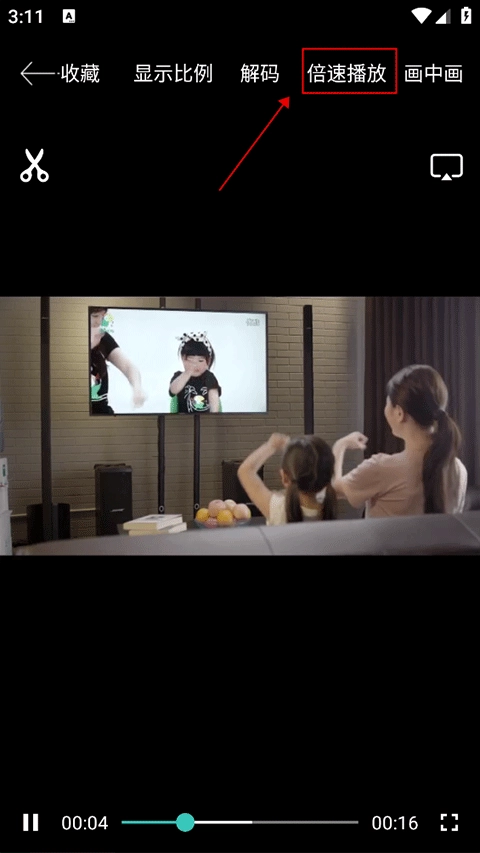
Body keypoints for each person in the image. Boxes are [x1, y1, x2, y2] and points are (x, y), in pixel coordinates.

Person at [332, 364, 468, 517]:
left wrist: (340, 446)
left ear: (399, 413)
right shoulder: (458, 470)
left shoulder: (381, 468)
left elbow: (333, 491)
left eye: (387, 402)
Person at [237, 433, 338, 525]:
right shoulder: (330, 508)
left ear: (285, 477)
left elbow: (245, 471)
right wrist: (341, 445)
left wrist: (271, 446)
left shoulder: (278, 510)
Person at [90, 307, 147, 415]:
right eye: (95, 316)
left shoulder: (103, 338)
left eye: (103, 316)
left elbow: (128, 367)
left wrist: (137, 388)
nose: (100, 321)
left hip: (102, 413)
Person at [169, 332, 221, 413]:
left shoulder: (209, 377)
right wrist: (187, 373)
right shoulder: (179, 376)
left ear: (208, 361)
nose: (195, 365)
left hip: (205, 419)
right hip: (183, 419)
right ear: (183, 359)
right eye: (191, 360)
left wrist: (213, 418)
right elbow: (173, 391)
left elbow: (214, 398)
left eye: (200, 361)